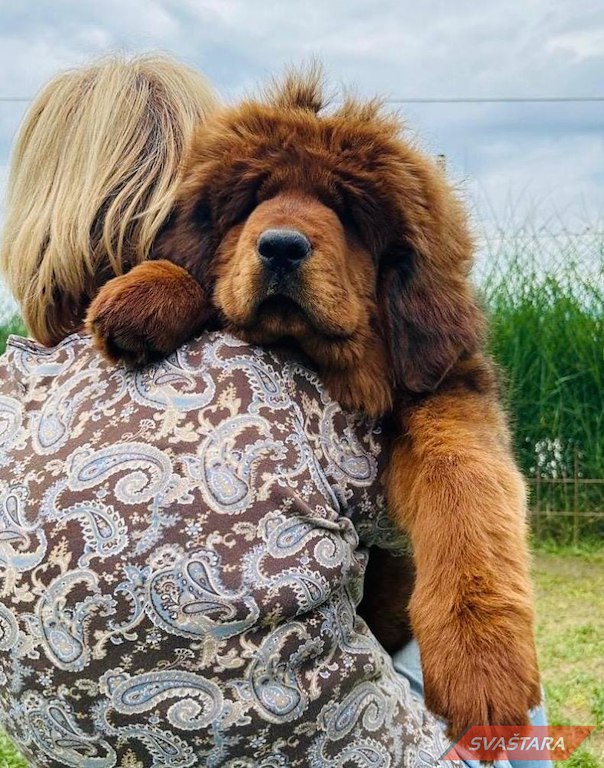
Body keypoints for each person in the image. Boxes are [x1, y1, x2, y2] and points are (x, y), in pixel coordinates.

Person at [0, 54, 550, 768]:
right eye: (251, 199)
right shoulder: (288, 404)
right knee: (509, 677)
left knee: (471, 599)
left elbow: (440, 394)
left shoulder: (16, 387)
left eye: (349, 215)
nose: (285, 231)